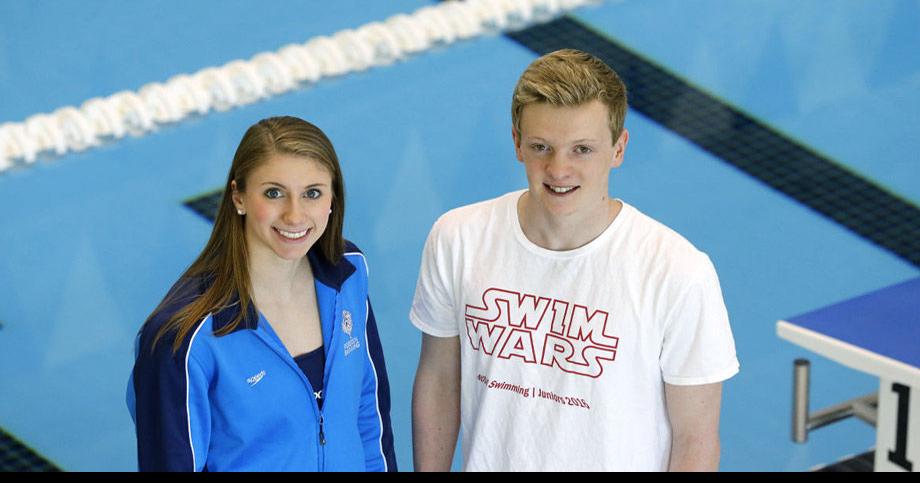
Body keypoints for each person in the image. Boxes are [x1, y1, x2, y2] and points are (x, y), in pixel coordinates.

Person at [409, 49, 739, 472]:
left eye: (582, 149)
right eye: (541, 147)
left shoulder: (677, 272)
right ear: (517, 143)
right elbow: (438, 381)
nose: (558, 169)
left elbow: (695, 440)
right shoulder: (459, 237)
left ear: (618, 149)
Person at [127, 116, 397, 472]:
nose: (294, 215)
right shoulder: (186, 337)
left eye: (312, 193)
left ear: (333, 198)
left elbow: (369, 413)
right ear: (238, 196)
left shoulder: (347, 275)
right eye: (274, 193)